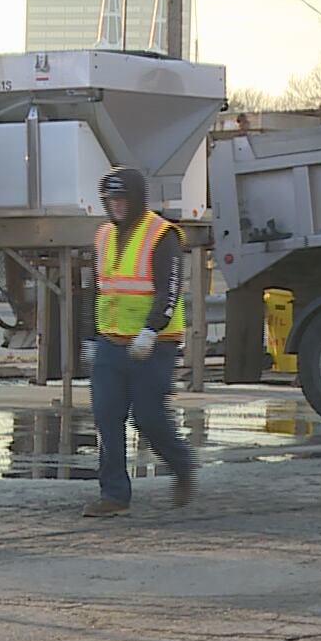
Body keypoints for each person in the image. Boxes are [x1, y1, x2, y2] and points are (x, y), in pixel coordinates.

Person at [82, 166, 197, 517]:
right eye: (110, 199)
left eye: (121, 199)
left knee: (147, 416)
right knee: (106, 416)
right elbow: (97, 289)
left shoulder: (163, 236)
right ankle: (114, 495)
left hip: (154, 345)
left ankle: (182, 467)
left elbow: (170, 288)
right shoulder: (103, 236)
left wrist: (151, 330)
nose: (116, 206)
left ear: (136, 200)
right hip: (111, 343)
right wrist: (90, 336)